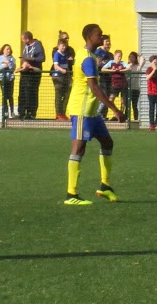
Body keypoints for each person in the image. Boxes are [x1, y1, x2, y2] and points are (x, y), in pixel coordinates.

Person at [65, 23, 123, 206]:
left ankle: (105, 186)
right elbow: (94, 87)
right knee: (79, 148)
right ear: (90, 37)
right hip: (82, 110)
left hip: (91, 111)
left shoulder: (90, 56)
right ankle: (71, 194)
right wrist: (114, 109)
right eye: (99, 34)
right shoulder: (87, 59)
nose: (102, 37)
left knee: (107, 142)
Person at [19, 31, 45, 120]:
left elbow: (42, 58)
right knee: (23, 92)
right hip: (25, 72)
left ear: (27, 38)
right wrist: (24, 63)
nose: (22, 41)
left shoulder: (38, 45)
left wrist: (30, 59)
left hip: (34, 73)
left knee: (32, 93)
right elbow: (23, 57)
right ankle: (23, 112)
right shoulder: (25, 46)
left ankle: (32, 112)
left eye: (23, 39)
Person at [51, 33, 75, 121]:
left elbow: (68, 64)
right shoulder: (57, 54)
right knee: (59, 94)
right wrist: (62, 70)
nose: (63, 47)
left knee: (67, 94)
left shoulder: (66, 54)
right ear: (58, 46)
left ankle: (63, 113)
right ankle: (58, 114)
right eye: (62, 46)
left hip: (66, 76)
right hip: (58, 76)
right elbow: (56, 65)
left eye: (65, 46)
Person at [0, 44, 17, 122]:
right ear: (3, 50)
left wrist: (9, 63)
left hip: (10, 78)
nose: (8, 50)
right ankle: (5, 111)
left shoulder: (12, 58)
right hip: (2, 79)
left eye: (9, 49)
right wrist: (3, 65)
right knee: (4, 95)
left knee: (10, 95)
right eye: (7, 49)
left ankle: (12, 111)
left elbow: (13, 68)